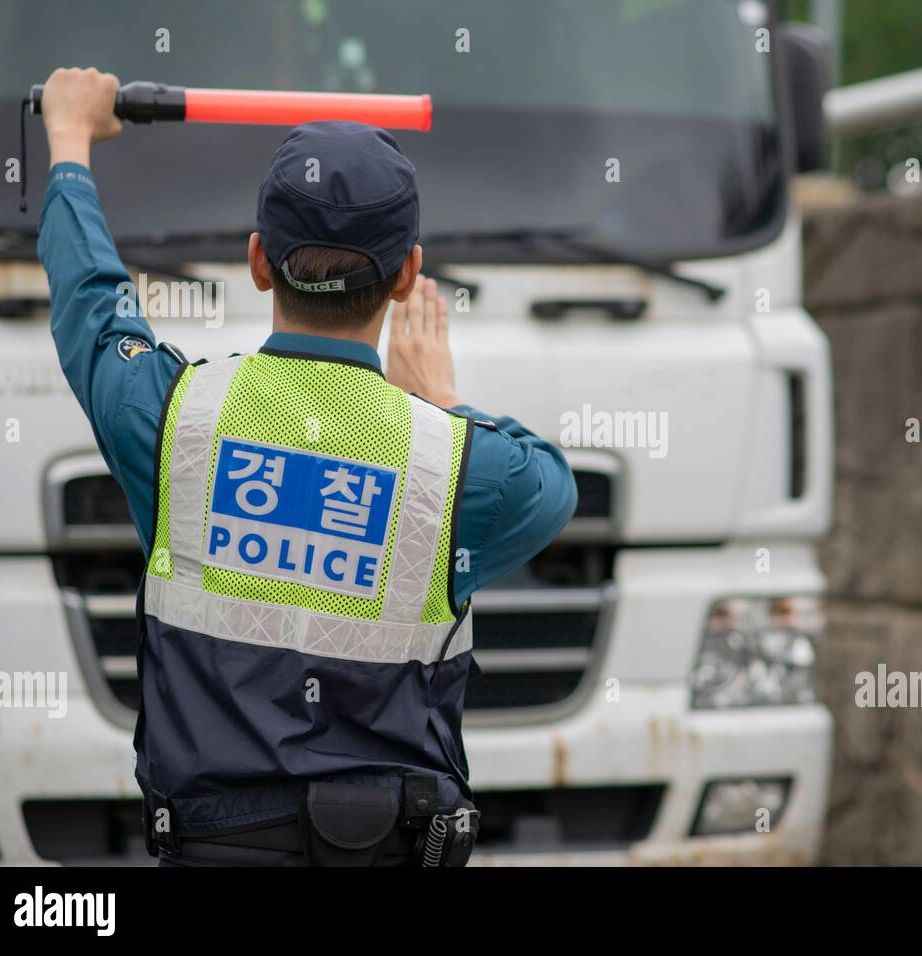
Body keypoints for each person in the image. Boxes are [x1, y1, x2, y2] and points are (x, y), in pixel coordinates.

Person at [35, 67, 577, 866]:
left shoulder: (175, 418)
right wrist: (440, 402)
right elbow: (551, 487)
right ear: (405, 275)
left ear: (259, 261)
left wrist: (69, 145)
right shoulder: (461, 467)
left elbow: (91, 301)